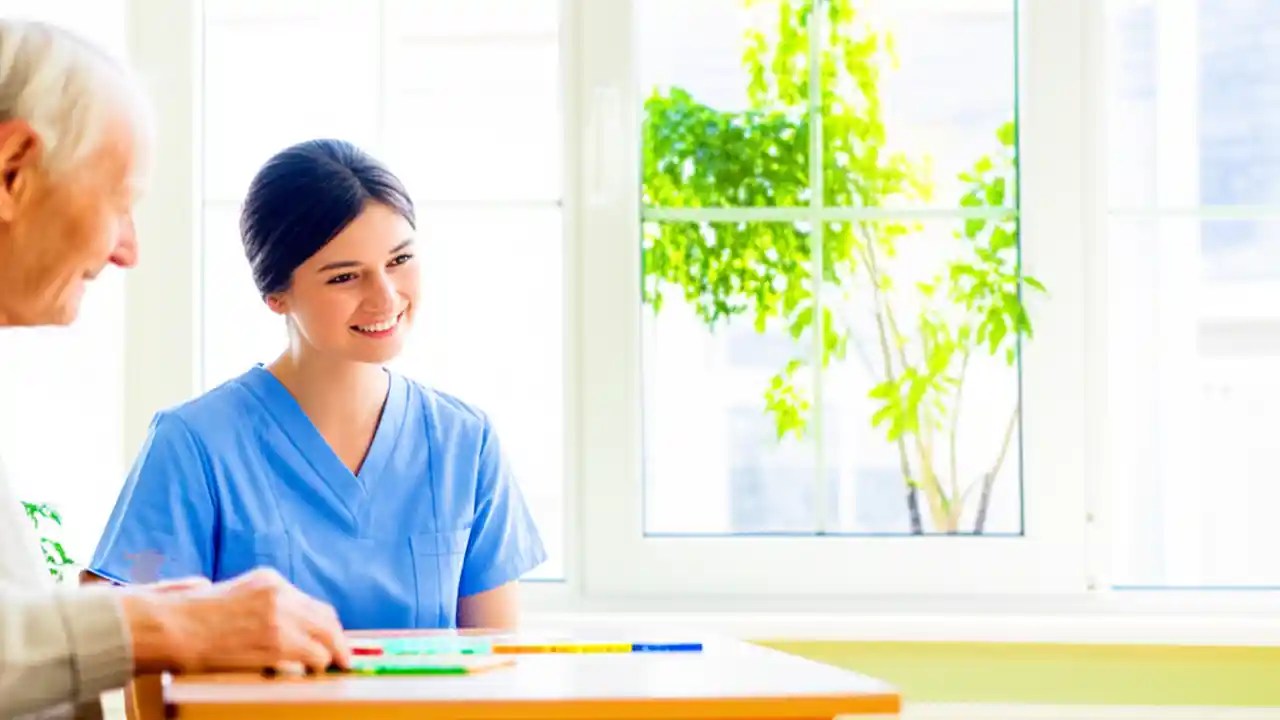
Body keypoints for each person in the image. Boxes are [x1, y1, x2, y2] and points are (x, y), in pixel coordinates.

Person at [0, 20, 351, 720]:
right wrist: (167, 627)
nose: (128, 250)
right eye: (119, 202)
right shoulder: (197, 437)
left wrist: (161, 613)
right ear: (11, 171)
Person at [86, 138, 547, 631]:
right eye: (345, 277)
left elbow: (497, 664)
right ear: (275, 295)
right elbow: (126, 642)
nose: (385, 298)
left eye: (399, 261)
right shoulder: (194, 445)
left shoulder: (465, 444)